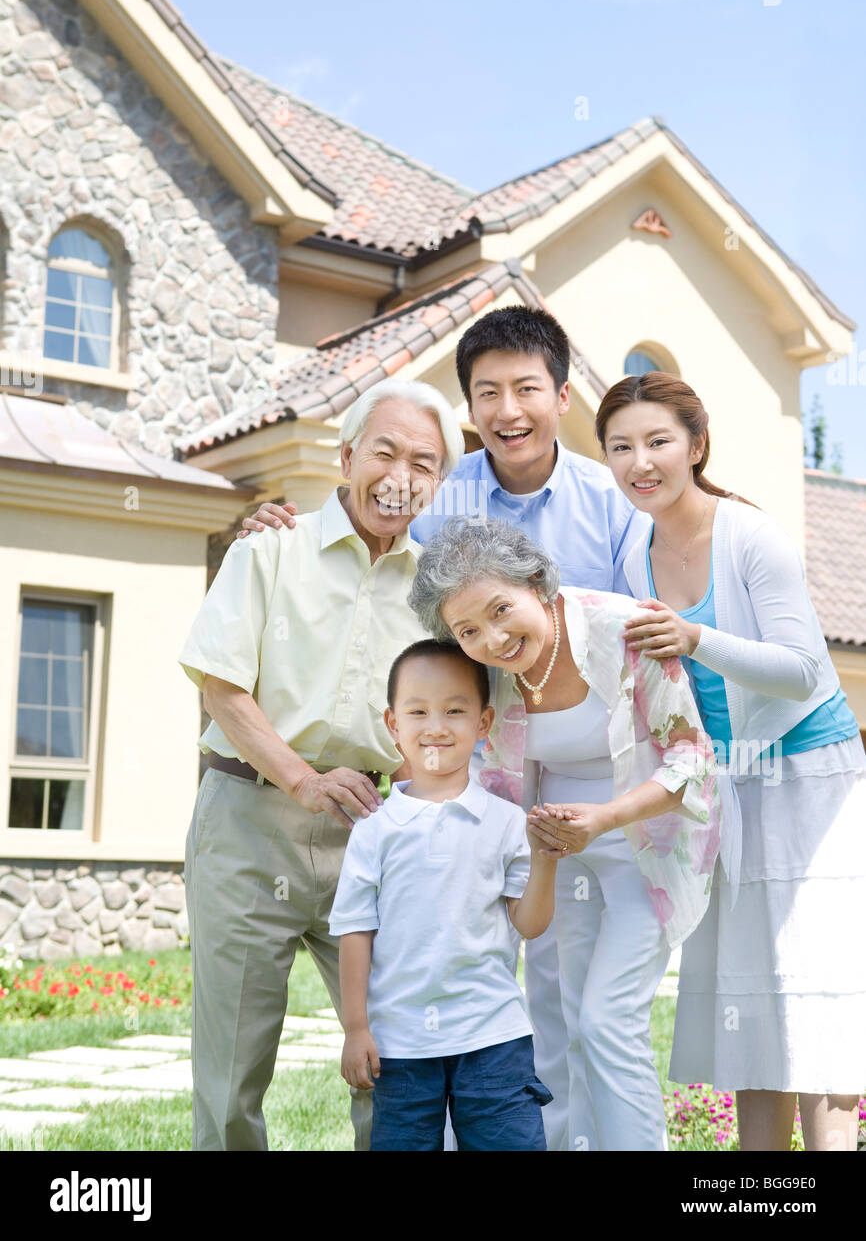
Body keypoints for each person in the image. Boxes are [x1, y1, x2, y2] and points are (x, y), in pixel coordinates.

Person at [237, 303, 649, 1149]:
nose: (508, 410)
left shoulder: (611, 499)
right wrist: (281, 522)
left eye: (526, 389)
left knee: (596, 1001)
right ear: (469, 409)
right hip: (492, 763)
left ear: (562, 396)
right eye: (487, 392)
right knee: (515, 975)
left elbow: (654, 609)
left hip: (595, 767)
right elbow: (376, 513)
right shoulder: (449, 490)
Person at [178, 380, 465, 1150]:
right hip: (249, 825)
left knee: (396, 1055)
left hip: (372, 837)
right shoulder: (269, 548)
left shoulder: (440, 593)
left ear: (438, 484)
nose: (402, 475)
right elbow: (222, 689)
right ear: (346, 457)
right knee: (234, 1074)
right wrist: (302, 780)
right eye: (387, 451)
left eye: (425, 463)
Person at [596, 370, 866, 1152]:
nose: (640, 462)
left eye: (657, 442)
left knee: (814, 995)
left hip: (814, 783)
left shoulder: (752, 535)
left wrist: (695, 636)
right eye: (620, 447)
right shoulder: (635, 556)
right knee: (749, 996)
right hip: (730, 787)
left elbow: (804, 669)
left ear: (696, 445)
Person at [407, 516, 720, 1151]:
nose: (492, 639)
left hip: (649, 839)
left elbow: (690, 754)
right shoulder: (484, 673)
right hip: (559, 847)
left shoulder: (621, 627)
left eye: (501, 611)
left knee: (609, 1019)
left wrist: (604, 818)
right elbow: (489, 779)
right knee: (568, 1018)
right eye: (468, 630)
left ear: (538, 585)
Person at [331, 638, 562, 1151]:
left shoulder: (504, 820)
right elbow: (354, 930)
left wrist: (544, 859)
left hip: (493, 1036)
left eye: (455, 711)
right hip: (401, 1045)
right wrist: (355, 1028)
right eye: (418, 712)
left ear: (483, 723)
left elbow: (530, 924)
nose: (436, 726)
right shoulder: (374, 829)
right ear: (394, 726)